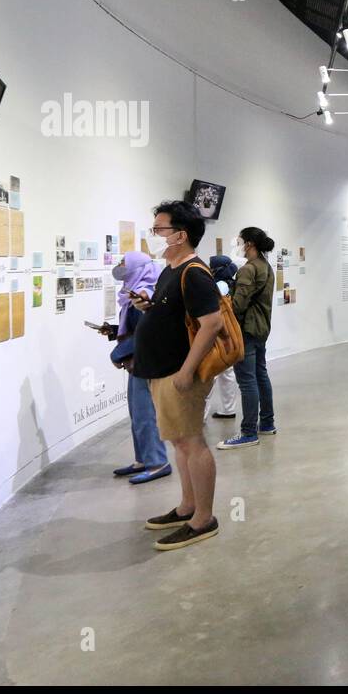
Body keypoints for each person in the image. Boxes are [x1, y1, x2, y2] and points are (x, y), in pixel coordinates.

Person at [130, 200, 225, 551]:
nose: (154, 234)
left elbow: (211, 323)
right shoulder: (172, 269)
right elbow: (174, 314)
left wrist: (187, 372)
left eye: (160, 229)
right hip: (162, 371)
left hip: (178, 373)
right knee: (180, 442)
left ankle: (204, 519)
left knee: (191, 442)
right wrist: (148, 305)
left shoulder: (195, 272)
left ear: (181, 235)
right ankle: (188, 506)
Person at [97, 251, 170, 483]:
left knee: (145, 413)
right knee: (137, 413)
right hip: (138, 361)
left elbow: (146, 331)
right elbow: (134, 327)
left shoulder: (145, 293)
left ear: (138, 268)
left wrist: (118, 352)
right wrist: (114, 331)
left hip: (147, 361)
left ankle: (158, 462)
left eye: (124, 263)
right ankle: (143, 459)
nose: (119, 267)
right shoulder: (133, 294)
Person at [218, 227, 276, 449]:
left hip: (247, 330)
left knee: (247, 380)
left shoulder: (248, 270)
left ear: (249, 244)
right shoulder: (266, 267)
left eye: (240, 241)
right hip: (261, 329)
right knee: (260, 374)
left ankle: (249, 432)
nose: (238, 245)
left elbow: (238, 305)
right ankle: (267, 423)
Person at [204, 254, 240, 421]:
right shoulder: (231, 284)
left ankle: (201, 415)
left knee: (211, 373)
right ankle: (228, 409)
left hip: (219, 334)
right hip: (229, 333)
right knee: (226, 372)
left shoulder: (220, 286)